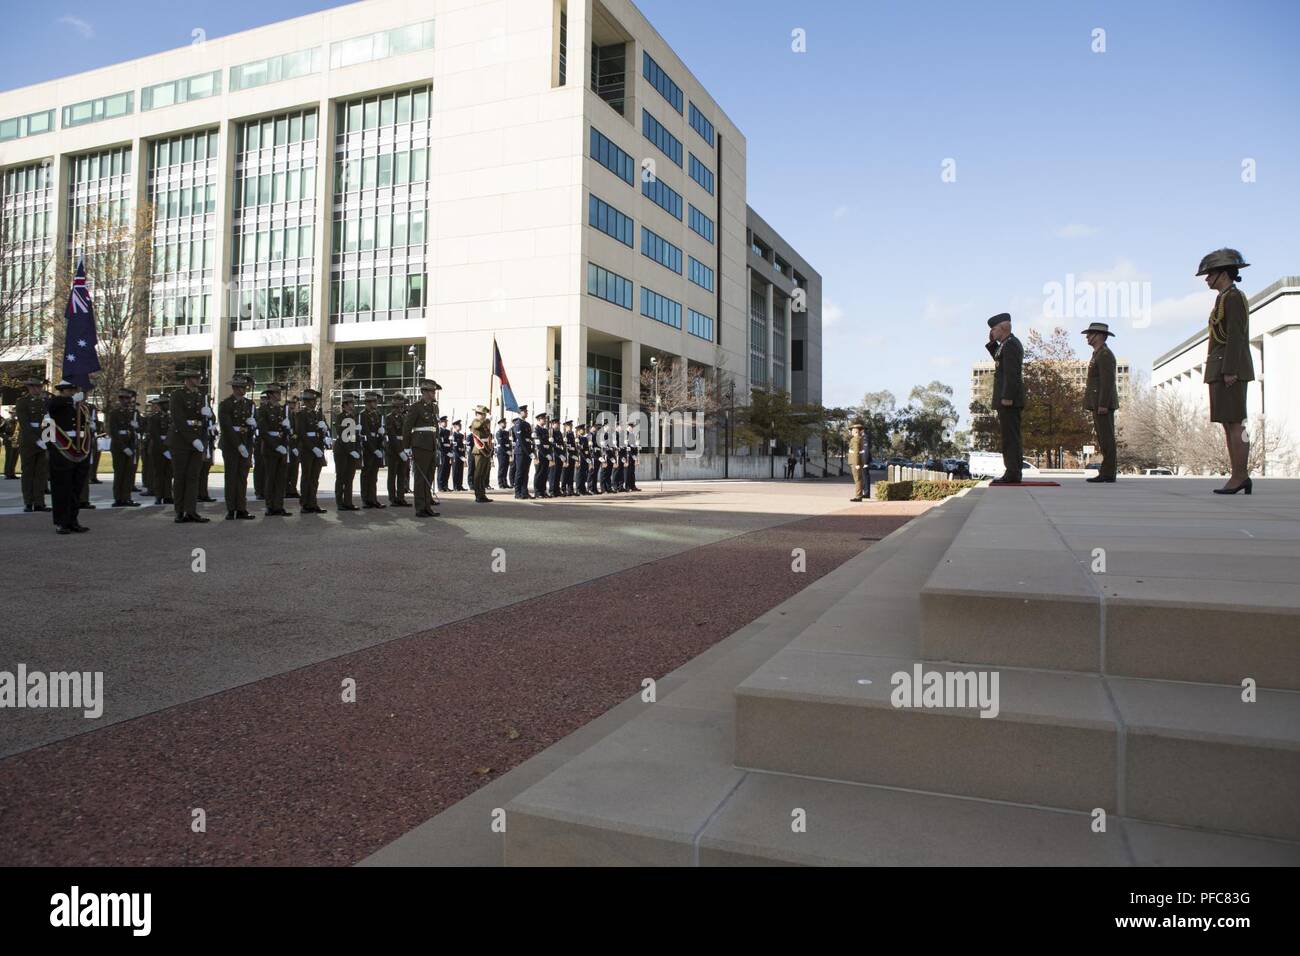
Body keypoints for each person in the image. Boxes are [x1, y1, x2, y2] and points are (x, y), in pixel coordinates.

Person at [1197, 248, 1256, 495]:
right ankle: (1238, 475)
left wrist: (1230, 369)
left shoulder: (1233, 297)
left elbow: (1235, 335)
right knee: (1228, 424)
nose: (1206, 278)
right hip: (1221, 367)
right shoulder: (1223, 298)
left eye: (1210, 273)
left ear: (1223, 273)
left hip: (1229, 369)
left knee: (1236, 425)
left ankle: (1240, 476)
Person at [44, 380, 93, 534]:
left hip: (79, 450)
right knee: (62, 487)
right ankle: (61, 522)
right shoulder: (56, 403)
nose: (73, 392)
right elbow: (51, 407)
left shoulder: (82, 408)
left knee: (76, 488)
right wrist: (71, 400)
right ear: (62, 391)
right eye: (69, 390)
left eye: (74, 390)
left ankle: (73, 520)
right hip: (62, 449)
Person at [984, 312, 1025, 484]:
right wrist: (992, 343)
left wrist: (1007, 396)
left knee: (1011, 437)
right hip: (1006, 399)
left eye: (994, 329)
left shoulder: (1011, 345)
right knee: (1008, 436)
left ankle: (1013, 472)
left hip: (1009, 400)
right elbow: (1000, 361)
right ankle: (1012, 471)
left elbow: (1011, 374)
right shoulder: (1006, 345)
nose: (992, 332)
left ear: (1003, 327)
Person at [1082, 322, 1120, 484]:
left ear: (1099, 336)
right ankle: (1106, 471)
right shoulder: (1098, 354)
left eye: (1090, 334)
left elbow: (1107, 381)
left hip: (1102, 404)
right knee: (1103, 439)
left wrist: (1103, 404)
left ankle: (1108, 472)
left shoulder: (1104, 355)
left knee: (1107, 439)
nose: (1087, 337)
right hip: (1097, 403)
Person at [218, 374, 256, 519]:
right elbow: (226, 427)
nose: (244, 390)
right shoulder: (226, 404)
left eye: (245, 387)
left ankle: (241, 508)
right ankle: (231, 508)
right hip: (231, 445)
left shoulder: (249, 404)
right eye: (241, 387)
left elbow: (252, 427)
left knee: (242, 478)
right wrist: (238, 445)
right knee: (231, 477)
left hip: (246, 443)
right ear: (234, 388)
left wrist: (252, 424)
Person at [403, 379, 442, 517]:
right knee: (421, 478)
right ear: (424, 392)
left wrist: (437, 443)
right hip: (420, 446)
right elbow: (407, 427)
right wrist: (406, 447)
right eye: (432, 391)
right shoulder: (416, 407)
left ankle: (427, 506)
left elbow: (435, 428)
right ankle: (420, 508)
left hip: (431, 445)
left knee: (429, 477)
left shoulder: (434, 407)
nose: (434, 393)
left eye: (434, 391)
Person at [15, 376, 50, 512]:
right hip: (29, 442)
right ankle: (28, 502)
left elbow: (49, 422)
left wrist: (48, 439)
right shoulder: (22, 402)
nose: (37, 389)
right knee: (28, 473)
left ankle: (39, 502)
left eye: (39, 386)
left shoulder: (45, 402)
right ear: (29, 388)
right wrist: (37, 440)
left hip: (43, 441)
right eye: (34, 386)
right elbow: (25, 424)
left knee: (41, 474)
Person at [256, 382, 290, 516]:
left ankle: (279, 505)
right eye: (277, 393)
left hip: (282, 446)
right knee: (270, 478)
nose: (279, 395)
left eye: (279, 392)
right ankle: (270, 506)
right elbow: (263, 432)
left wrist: (287, 428)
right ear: (270, 395)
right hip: (270, 448)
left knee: (281, 479)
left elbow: (283, 430)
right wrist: (276, 446)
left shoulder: (282, 410)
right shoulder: (263, 410)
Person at [295, 388, 329, 514]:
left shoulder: (318, 414)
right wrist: (312, 448)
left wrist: (324, 429)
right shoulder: (301, 414)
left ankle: (313, 502)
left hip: (318, 448)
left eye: (315, 400)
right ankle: (305, 504)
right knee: (306, 477)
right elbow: (302, 434)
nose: (314, 403)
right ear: (306, 401)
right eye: (311, 401)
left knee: (315, 478)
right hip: (307, 450)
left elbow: (321, 432)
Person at [108, 387, 142, 507]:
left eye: (128, 398)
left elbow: (140, 429)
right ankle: (118, 498)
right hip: (119, 446)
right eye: (123, 398)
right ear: (120, 400)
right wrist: (123, 448)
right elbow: (114, 432)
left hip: (131, 444)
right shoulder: (115, 413)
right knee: (119, 473)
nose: (126, 401)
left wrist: (137, 426)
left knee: (129, 473)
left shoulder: (134, 413)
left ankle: (127, 497)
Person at [333, 393, 362, 511]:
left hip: (351, 450)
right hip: (342, 451)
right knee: (341, 477)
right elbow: (344, 435)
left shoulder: (354, 417)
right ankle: (340, 503)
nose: (352, 406)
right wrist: (351, 450)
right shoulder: (341, 417)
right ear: (344, 405)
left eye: (353, 403)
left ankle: (348, 501)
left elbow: (353, 437)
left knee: (350, 477)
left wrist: (356, 448)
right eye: (350, 403)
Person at [358, 391, 386, 508]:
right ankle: (366, 500)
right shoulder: (363, 415)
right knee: (366, 475)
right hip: (368, 447)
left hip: (375, 445)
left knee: (373, 475)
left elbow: (377, 431)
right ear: (368, 403)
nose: (376, 403)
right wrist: (374, 449)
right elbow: (366, 434)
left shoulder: (376, 414)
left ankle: (373, 498)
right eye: (374, 401)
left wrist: (381, 436)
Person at [147, 397, 174, 505]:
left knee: (169, 473)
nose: (166, 406)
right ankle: (158, 496)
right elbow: (155, 435)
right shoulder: (154, 418)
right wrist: (163, 449)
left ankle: (167, 495)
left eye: (167, 403)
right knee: (159, 473)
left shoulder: (171, 417)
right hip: (158, 448)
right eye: (164, 404)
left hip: (169, 446)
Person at [385, 392, 410, 507]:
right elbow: (392, 436)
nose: (400, 409)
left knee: (402, 475)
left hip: (403, 448)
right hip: (393, 450)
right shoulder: (389, 418)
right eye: (399, 407)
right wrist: (400, 451)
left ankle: (401, 497)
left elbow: (406, 434)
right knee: (392, 475)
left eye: (401, 407)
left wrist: (407, 448)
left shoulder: (404, 417)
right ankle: (392, 498)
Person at [469, 405, 494, 503]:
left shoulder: (484, 423)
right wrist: (487, 421)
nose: (483, 416)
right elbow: (478, 426)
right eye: (482, 414)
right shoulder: (475, 421)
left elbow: (488, 434)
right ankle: (478, 495)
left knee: (484, 473)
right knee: (478, 474)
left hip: (486, 449)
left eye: (484, 414)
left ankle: (482, 494)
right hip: (479, 450)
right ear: (477, 414)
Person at [511, 405, 532, 499]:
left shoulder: (527, 424)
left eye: (526, 411)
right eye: (525, 411)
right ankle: (517, 492)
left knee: (525, 473)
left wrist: (531, 451)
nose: (526, 413)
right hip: (520, 451)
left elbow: (529, 439)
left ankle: (524, 492)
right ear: (520, 412)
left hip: (527, 451)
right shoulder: (518, 424)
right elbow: (521, 440)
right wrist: (528, 451)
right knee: (519, 472)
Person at [283, 394, 300, 499]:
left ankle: (292, 489)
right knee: (286, 469)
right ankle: (285, 489)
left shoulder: (296, 415)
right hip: (288, 445)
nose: (292, 405)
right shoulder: (285, 415)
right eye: (290, 403)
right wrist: (292, 445)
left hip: (296, 444)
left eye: (294, 403)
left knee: (294, 469)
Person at [849, 421, 868, 501]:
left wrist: (856, 463)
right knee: (858, 479)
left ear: (856, 431)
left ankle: (858, 496)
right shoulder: (859, 438)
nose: (851, 431)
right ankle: (858, 495)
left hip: (855, 462)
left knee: (858, 479)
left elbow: (856, 451)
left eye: (852, 430)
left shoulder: (855, 439)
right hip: (855, 461)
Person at [495, 416, 511, 490]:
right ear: (500, 424)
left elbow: (508, 443)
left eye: (505, 423)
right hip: (502, 452)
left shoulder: (506, 432)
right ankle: (501, 483)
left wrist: (509, 450)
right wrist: (507, 450)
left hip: (507, 453)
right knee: (501, 468)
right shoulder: (499, 433)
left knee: (505, 468)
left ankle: (505, 482)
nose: (505, 424)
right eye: (504, 423)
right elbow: (501, 443)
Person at [1, 407, 18, 480]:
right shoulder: (6, 421)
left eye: (15, 413)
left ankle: (12, 473)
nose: (14, 414)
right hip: (9, 441)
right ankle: (7, 473)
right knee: (9, 458)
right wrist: (8, 438)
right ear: (10, 413)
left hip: (16, 441)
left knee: (15, 458)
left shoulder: (18, 422)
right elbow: (1, 432)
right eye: (13, 413)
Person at [451, 420, 467, 492]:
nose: (460, 426)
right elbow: (454, 448)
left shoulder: (461, 435)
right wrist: (460, 456)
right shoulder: (453, 435)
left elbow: (462, 447)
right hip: (456, 456)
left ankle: (460, 485)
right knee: (456, 471)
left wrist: (463, 455)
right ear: (454, 427)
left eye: (460, 425)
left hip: (461, 455)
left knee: (461, 471)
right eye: (458, 425)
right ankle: (455, 486)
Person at [625, 421, 641, 491]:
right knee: (627, 472)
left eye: (632, 427)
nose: (632, 428)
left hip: (632, 455)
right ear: (628, 427)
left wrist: (637, 446)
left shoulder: (632, 435)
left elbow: (633, 445)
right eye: (631, 427)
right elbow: (626, 446)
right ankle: (627, 486)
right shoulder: (625, 434)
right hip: (628, 455)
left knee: (632, 471)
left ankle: (632, 485)